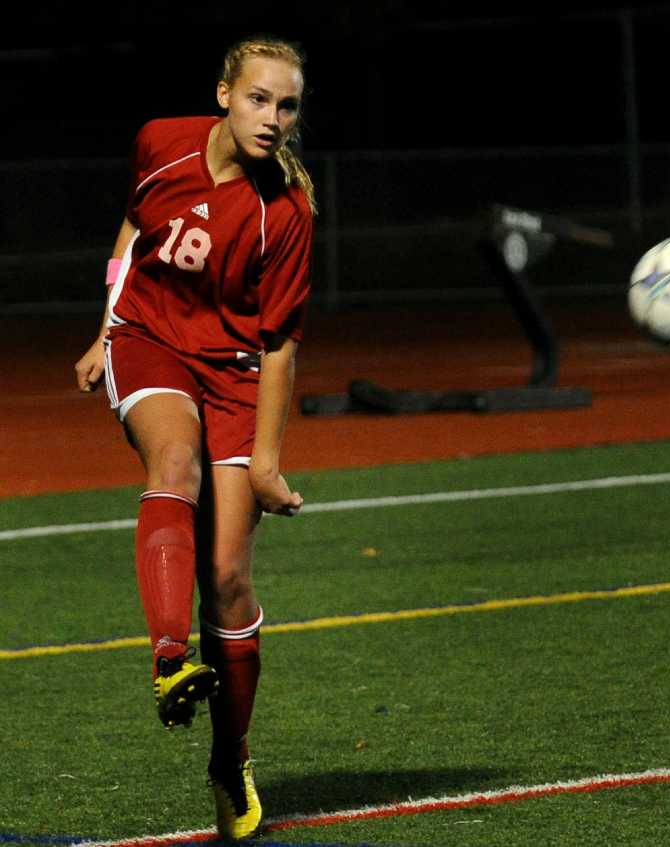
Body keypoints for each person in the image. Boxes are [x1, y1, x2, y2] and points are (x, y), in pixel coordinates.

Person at [73, 36, 316, 842]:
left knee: (230, 577)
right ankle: (171, 657)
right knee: (173, 460)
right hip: (149, 339)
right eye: (258, 99)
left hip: (238, 375)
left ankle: (230, 755)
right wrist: (104, 329)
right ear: (223, 94)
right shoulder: (159, 142)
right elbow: (134, 229)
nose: (273, 118)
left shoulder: (285, 210)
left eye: (287, 106)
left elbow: (279, 343)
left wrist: (270, 461)